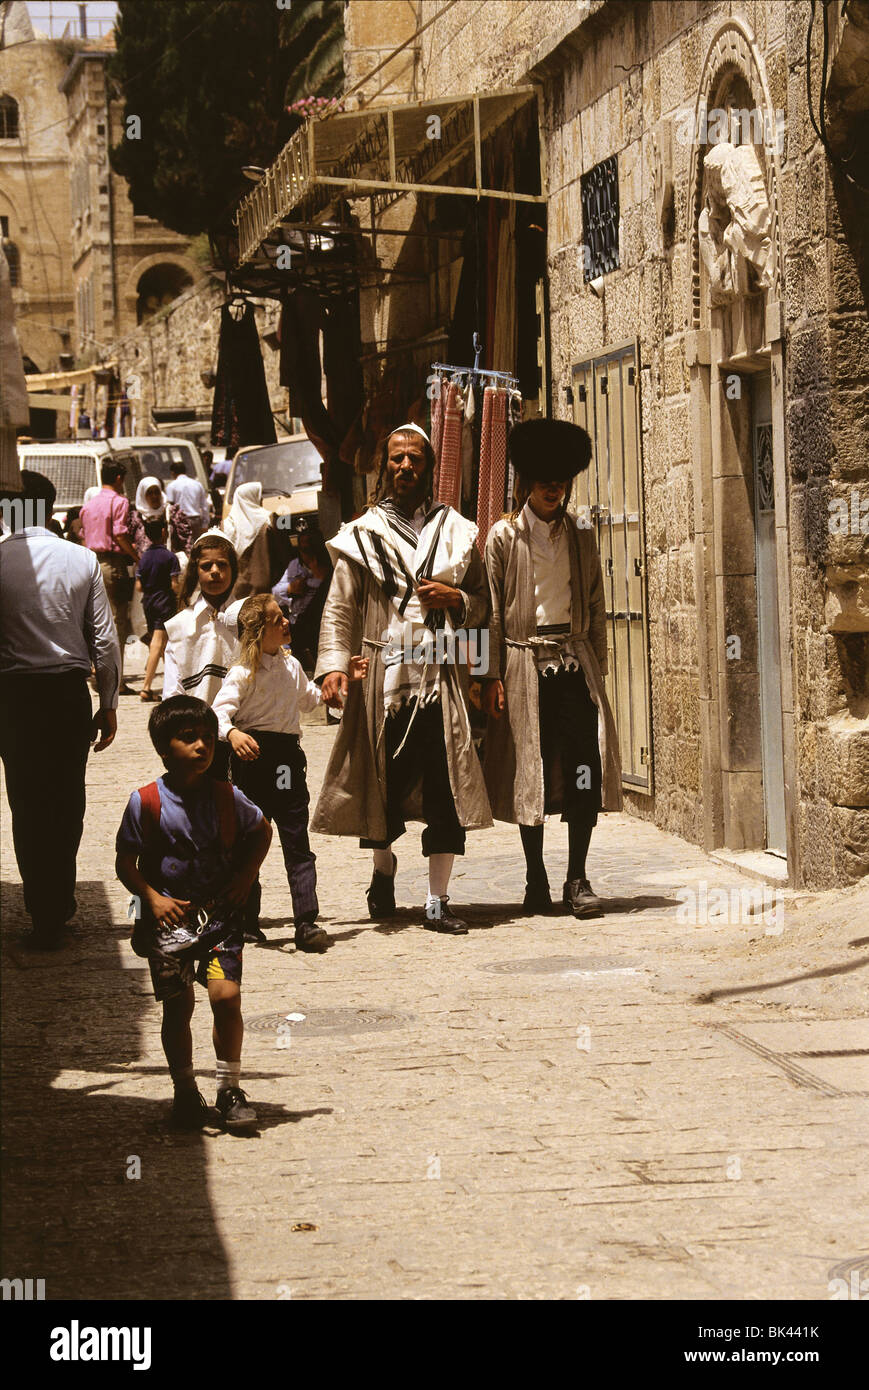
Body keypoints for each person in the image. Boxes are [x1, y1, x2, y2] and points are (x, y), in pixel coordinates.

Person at [314, 423, 492, 934]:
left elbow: (484, 607)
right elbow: (339, 608)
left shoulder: (457, 532)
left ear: (430, 468)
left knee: (445, 789)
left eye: (415, 459)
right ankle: (384, 871)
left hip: (442, 678)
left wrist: (455, 599)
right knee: (381, 789)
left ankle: (438, 901)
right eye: (397, 459)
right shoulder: (361, 534)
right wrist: (333, 665)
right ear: (384, 466)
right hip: (383, 681)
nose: (405, 467)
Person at [483, 418, 623, 917]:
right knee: (532, 771)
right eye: (544, 478)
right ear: (528, 481)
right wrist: (490, 676)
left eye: (560, 479)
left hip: (573, 666)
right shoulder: (503, 537)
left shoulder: (581, 534)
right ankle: (535, 877)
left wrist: (598, 671)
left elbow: (596, 602)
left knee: (584, 768)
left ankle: (578, 877)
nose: (552, 488)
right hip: (523, 667)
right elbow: (490, 611)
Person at [115, 696, 273, 1131]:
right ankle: (185, 1090)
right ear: (164, 748)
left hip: (221, 917)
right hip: (168, 925)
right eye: (189, 739)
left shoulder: (228, 796)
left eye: (207, 737)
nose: (202, 746)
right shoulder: (145, 802)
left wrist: (245, 877)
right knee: (177, 1007)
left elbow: (262, 831)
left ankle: (229, 1088)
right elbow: (125, 862)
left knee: (227, 997)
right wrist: (151, 897)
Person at [0, 470, 119, 949]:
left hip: (14, 699)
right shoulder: (81, 559)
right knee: (67, 799)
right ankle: (59, 898)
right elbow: (105, 642)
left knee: (26, 803)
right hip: (68, 696)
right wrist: (108, 703)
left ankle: (42, 907)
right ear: (50, 508)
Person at [213, 594, 368, 951]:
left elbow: (309, 699)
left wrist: (342, 685)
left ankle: (306, 921)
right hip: (253, 761)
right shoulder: (242, 674)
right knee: (249, 839)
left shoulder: (291, 666)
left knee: (295, 838)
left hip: (284, 763)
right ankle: (245, 920)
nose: (286, 623)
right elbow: (218, 714)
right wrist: (234, 734)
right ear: (257, 631)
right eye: (277, 619)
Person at [162, 531, 242, 780]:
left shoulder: (249, 618)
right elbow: (173, 693)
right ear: (196, 571)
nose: (215, 571)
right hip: (200, 740)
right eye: (207, 566)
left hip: (246, 734)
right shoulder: (180, 626)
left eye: (222, 565)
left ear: (234, 570)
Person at [79, 458, 138, 694]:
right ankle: (115, 680)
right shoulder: (119, 502)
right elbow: (120, 534)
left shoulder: (90, 504)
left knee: (95, 620)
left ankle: (98, 670)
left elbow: (84, 535)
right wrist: (136, 557)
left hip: (90, 561)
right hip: (112, 564)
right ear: (118, 479)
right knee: (117, 622)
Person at [272, 528, 332, 672]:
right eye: (304, 550)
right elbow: (275, 593)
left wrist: (319, 575)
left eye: (311, 549)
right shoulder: (295, 566)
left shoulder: (327, 567)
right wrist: (290, 588)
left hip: (317, 625)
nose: (308, 555)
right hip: (295, 624)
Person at [136, 517, 181, 702]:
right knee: (157, 644)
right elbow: (174, 585)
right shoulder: (170, 557)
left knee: (163, 645)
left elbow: (139, 586)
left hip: (148, 603)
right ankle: (146, 687)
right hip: (165, 603)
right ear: (164, 532)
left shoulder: (144, 557)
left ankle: (175, 681)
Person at [224, 480, 292, 599]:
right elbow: (285, 553)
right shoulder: (271, 519)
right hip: (266, 588)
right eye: (259, 496)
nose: (261, 500)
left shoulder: (227, 525)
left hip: (237, 590)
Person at [166, 459, 210, 553]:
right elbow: (204, 506)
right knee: (197, 548)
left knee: (181, 550)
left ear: (172, 473)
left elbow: (170, 506)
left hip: (179, 522)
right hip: (196, 520)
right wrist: (205, 524)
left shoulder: (171, 486)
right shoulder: (197, 484)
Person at [130, 476, 168, 555]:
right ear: (143, 495)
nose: (154, 496)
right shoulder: (136, 518)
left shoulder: (171, 512)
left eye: (157, 492)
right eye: (149, 493)